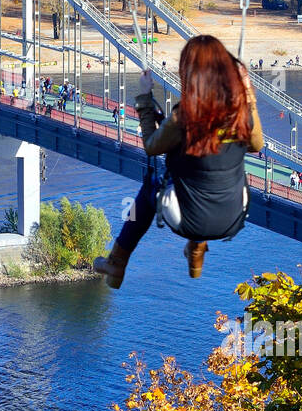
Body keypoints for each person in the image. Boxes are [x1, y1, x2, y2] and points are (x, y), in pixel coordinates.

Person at [93, 35, 263, 288]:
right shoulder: (240, 114)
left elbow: (151, 147)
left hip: (186, 219)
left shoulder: (184, 118)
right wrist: (248, 95)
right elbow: (256, 145)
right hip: (233, 218)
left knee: (153, 182)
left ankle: (117, 262)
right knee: (204, 180)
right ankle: (196, 253)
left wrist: (144, 98)